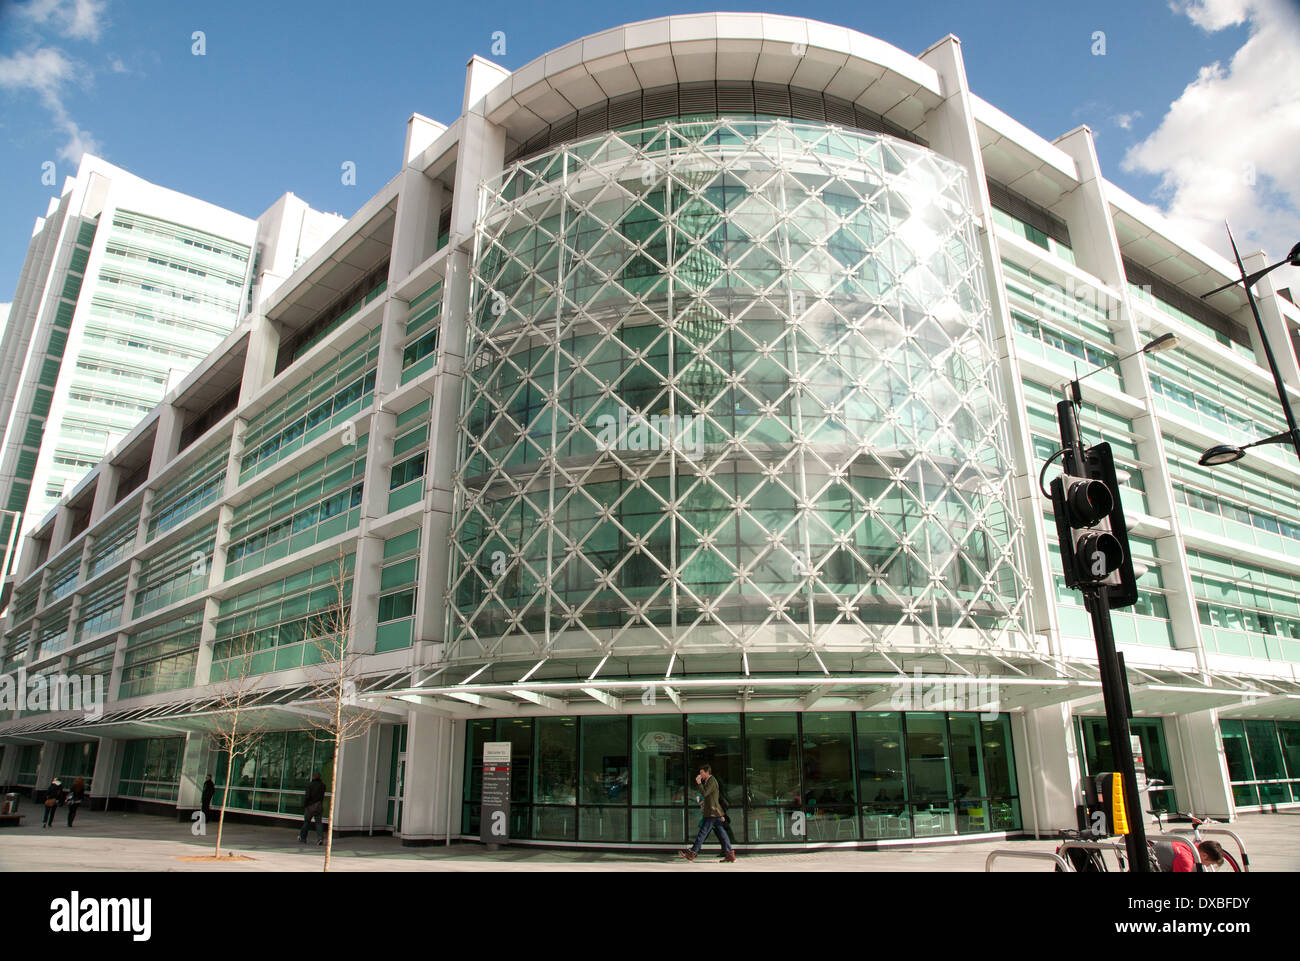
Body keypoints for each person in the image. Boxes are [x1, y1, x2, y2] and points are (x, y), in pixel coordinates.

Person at [679, 764, 736, 863]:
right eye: (700, 773)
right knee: (721, 833)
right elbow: (709, 797)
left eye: (701, 773)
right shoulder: (709, 781)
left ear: (707, 772)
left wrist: (699, 783)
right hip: (714, 811)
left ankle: (692, 853)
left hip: (712, 812)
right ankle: (730, 854)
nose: (700, 775)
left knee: (703, 832)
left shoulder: (711, 781)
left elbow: (705, 793)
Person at [299, 773, 326, 845]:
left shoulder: (310, 785)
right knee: (318, 823)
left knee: (306, 822)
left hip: (310, 806)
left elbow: (307, 796)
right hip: (319, 806)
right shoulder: (323, 785)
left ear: (313, 777)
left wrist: (304, 805)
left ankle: (303, 838)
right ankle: (320, 838)